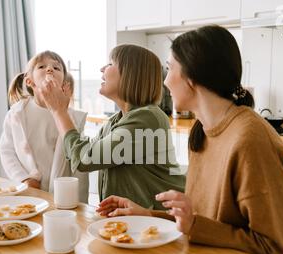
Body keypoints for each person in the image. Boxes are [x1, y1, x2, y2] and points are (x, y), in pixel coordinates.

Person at [96, 26, 283, 254]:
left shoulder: (250, 140)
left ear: (193, 78)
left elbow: (275, 249)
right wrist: (147, 214)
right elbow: (203, 223)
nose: (165, 81)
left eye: (170, 68)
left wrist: (193, 225)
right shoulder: (201, 131)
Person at [37, 44, 186, 210]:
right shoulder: (116, 120)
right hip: (131, 224)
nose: (102, 69)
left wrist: (59, 111)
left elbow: (84, 159)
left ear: (130, 74)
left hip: (159, 225)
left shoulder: (147, 118)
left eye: (109, 64)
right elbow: (85, 151)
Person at [0, 51, 89, 202]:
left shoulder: (72, 119)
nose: (49, 69)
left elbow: (79, 167)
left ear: (64, 83)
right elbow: (6, 151)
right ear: (30, 81)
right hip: (28, 194)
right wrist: (24, 179)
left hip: (62, 198)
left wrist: (80, 202)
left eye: (57, 68)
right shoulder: (17, 114)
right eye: (42, 66)